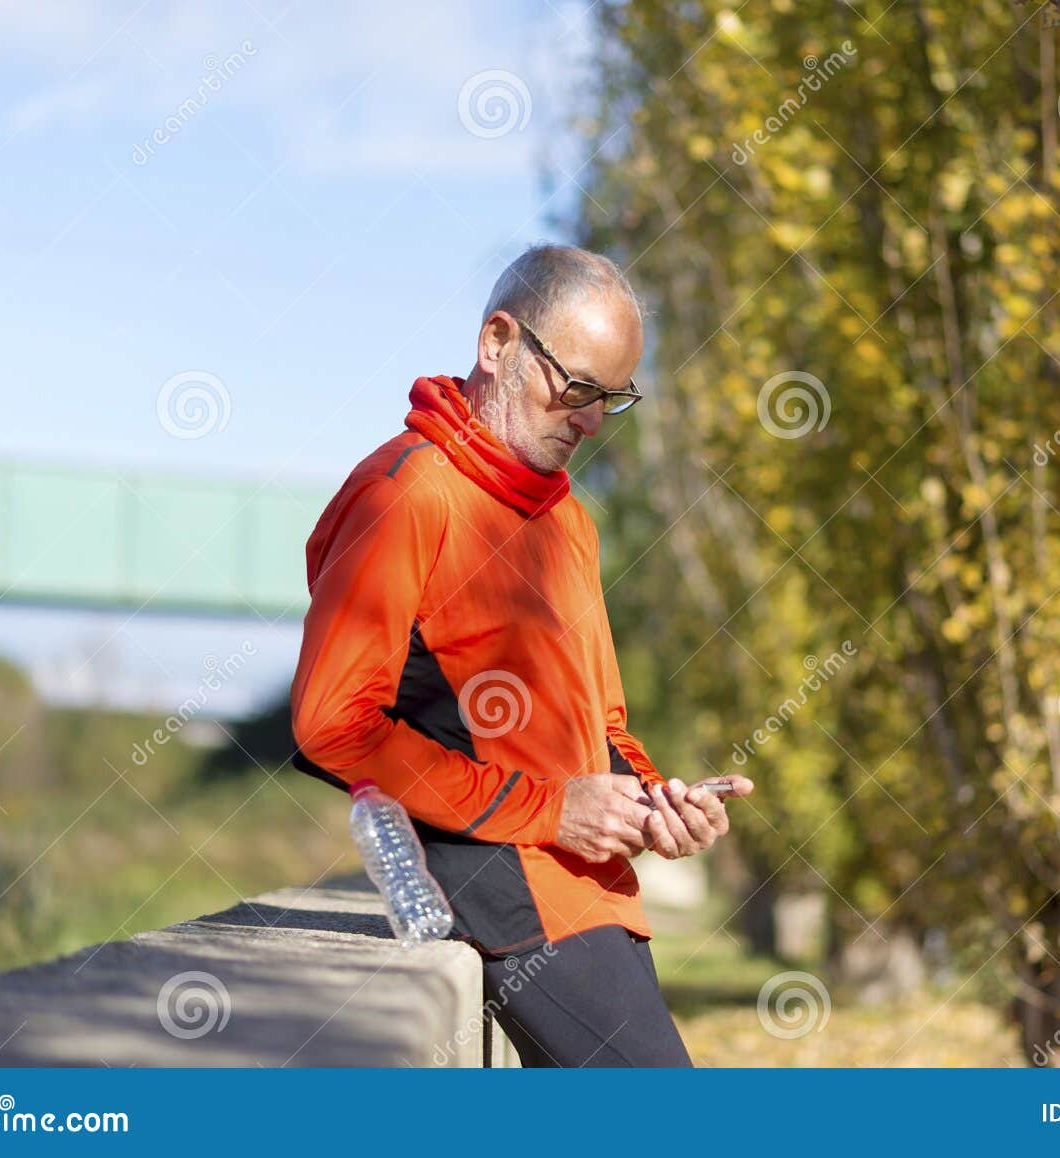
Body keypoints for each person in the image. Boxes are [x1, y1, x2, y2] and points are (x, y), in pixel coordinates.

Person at [289, 243, 753, 1067]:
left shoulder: (570, 522)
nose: (588, 420)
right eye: (575, 387)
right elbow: (333, 726)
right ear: (497, 343)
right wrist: (552, 811)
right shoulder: (405, 497)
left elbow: (599, 724)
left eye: (612, 399)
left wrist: (654, 802)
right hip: (501, 893)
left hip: (593, 890)